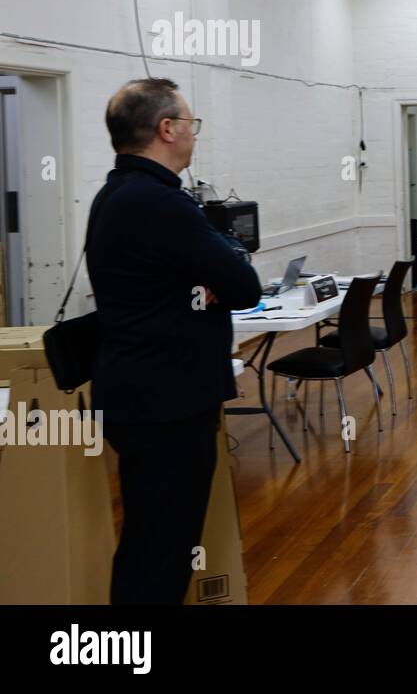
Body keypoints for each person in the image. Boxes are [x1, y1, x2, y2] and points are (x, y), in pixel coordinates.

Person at [88, 78, 262, 604]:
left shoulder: (116, 194)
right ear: (168, 129)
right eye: (191, 124)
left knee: (151, 542)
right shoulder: (159, 203)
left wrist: (212, 276)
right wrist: (215, 277)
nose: (194, 135)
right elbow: (244, 285)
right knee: (161, 551)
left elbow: (220, 276)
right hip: (165, 405)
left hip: (141, 397)